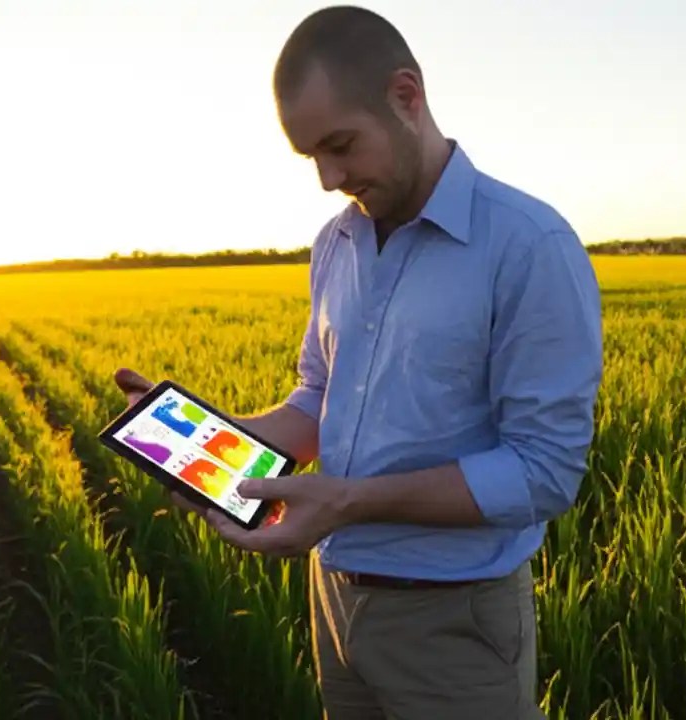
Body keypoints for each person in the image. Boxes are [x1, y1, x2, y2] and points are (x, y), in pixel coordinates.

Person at [114, 5, 603, 718]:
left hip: (453, 624)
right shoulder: (336, 243)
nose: (327, 176)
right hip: (336, 600)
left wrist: (346, 500)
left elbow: (545, 471)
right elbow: (319, 398)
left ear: (407, 96)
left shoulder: (529, 246)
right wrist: (198, 438)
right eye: (311, 155)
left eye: (340, 145)